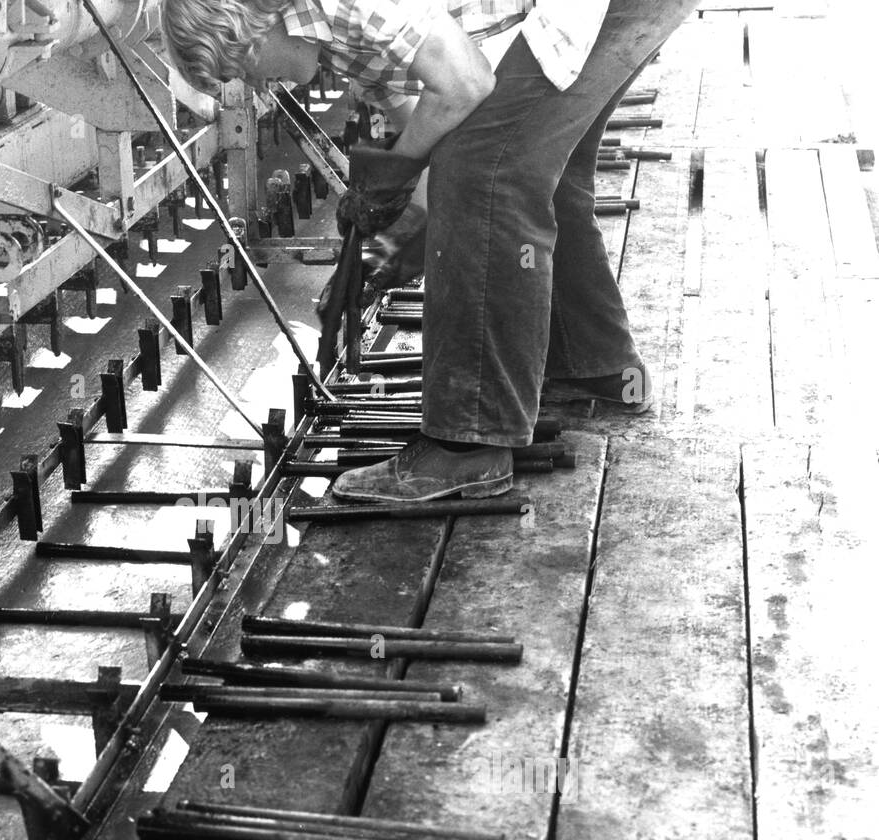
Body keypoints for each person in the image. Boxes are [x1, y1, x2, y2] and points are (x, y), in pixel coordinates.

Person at [160, 0, 701, 501]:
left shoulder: (349, 4)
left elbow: (465, 87)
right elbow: (432, 138)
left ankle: (468, 445)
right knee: (527, 168)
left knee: (483, 170)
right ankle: (594, 362)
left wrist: (390, 178)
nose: (257, 86)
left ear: (251, 31)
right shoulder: (344, 43)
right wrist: (387, 238)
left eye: (244, 67)